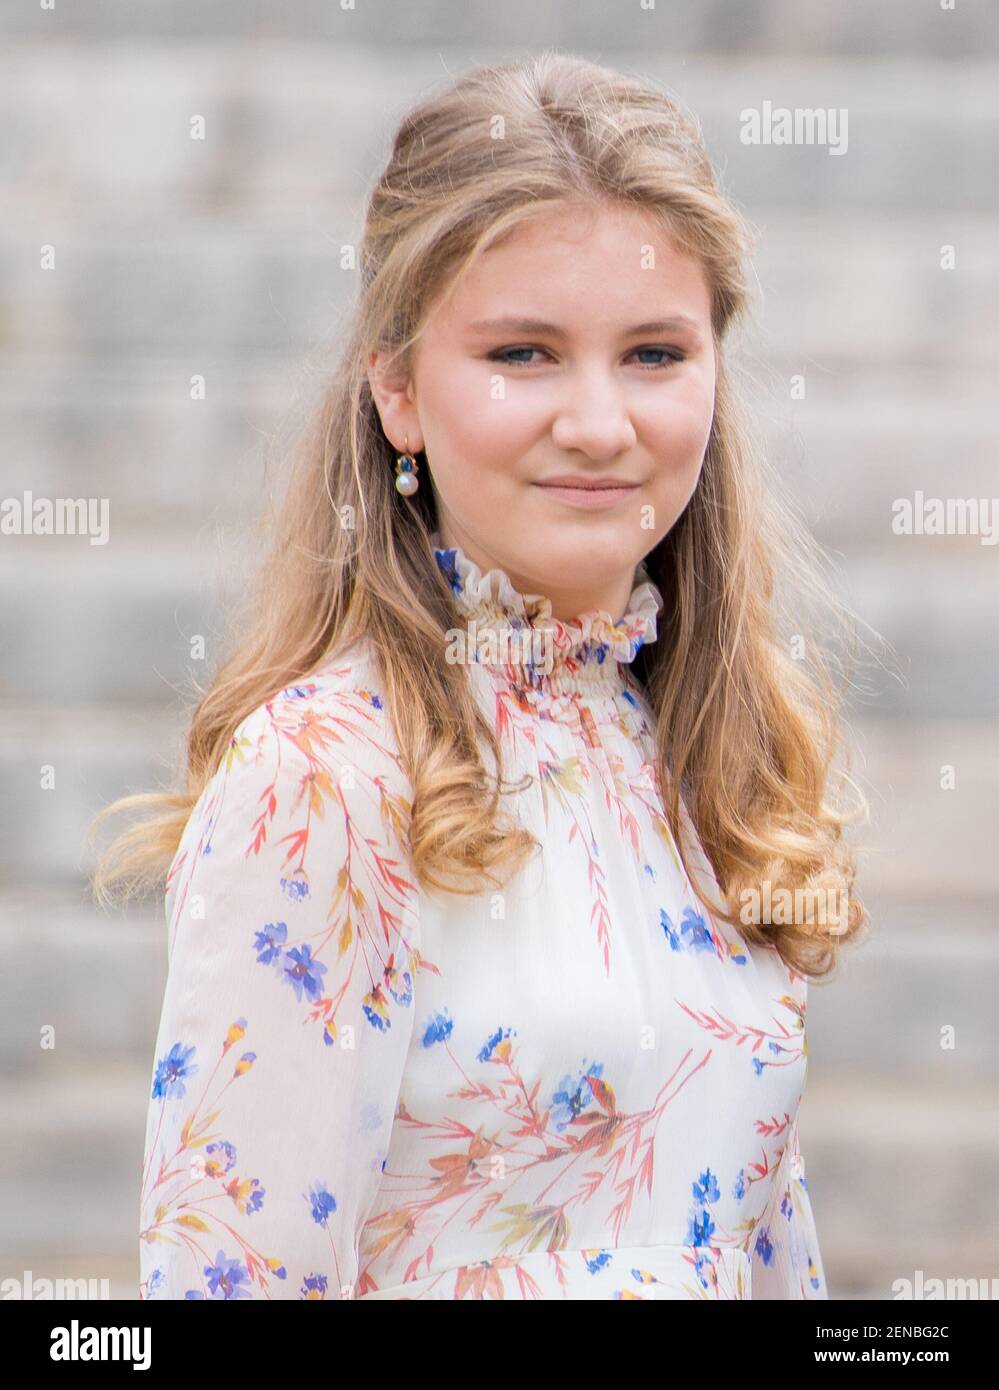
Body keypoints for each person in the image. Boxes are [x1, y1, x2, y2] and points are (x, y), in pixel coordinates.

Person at [93, 51, 867, 1300]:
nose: (603, 421)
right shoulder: (322, 776)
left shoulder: (708, 747)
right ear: (397, 387)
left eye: (656, 354)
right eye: (524, 353)